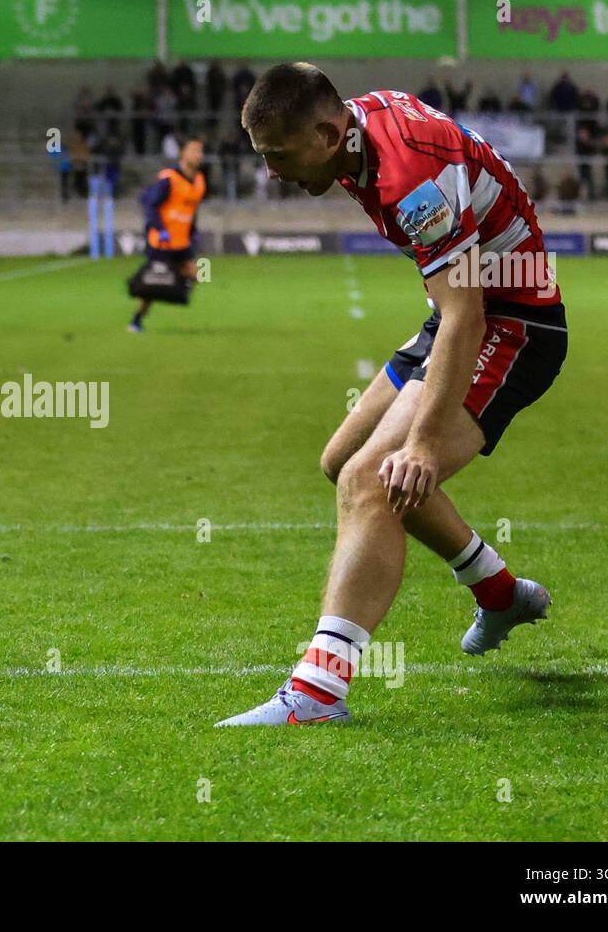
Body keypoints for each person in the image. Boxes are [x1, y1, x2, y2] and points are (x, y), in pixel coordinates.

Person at [219, 63, 566, 726]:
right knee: (340, 462)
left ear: (326, 132)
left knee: (375, 480)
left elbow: (466, 316)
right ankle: (499, 593)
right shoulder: (353, 131)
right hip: (463, 310)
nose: (272, 173)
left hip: (511, 322)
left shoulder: (414, 178)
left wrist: (425, 444)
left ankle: (317, 695)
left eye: (278, 156)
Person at [126, 135, 205, 333]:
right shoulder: (169, 180)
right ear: (182, 154)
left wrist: (193, 232)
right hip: (161, 242)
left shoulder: (200, 181)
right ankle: (136, 321)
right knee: (151, 287)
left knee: (196, 275)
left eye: (200, 151)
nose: (198, 155)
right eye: (193, 150)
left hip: (182, 242)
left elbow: (191, 211)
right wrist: (160, 230)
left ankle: (173, 292)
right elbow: (149, 204)